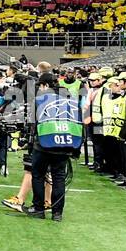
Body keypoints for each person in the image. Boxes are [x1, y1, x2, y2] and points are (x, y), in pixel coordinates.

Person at [26, 71, 81, 221]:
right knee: (59, 178)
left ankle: (38, 209)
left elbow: (32, 124)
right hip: (65, 143)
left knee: (38, 175)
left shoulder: (39, 99)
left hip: (43, 143)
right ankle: (57, 213)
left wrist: (30, 143)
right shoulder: (71, 98)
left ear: (44, 85)